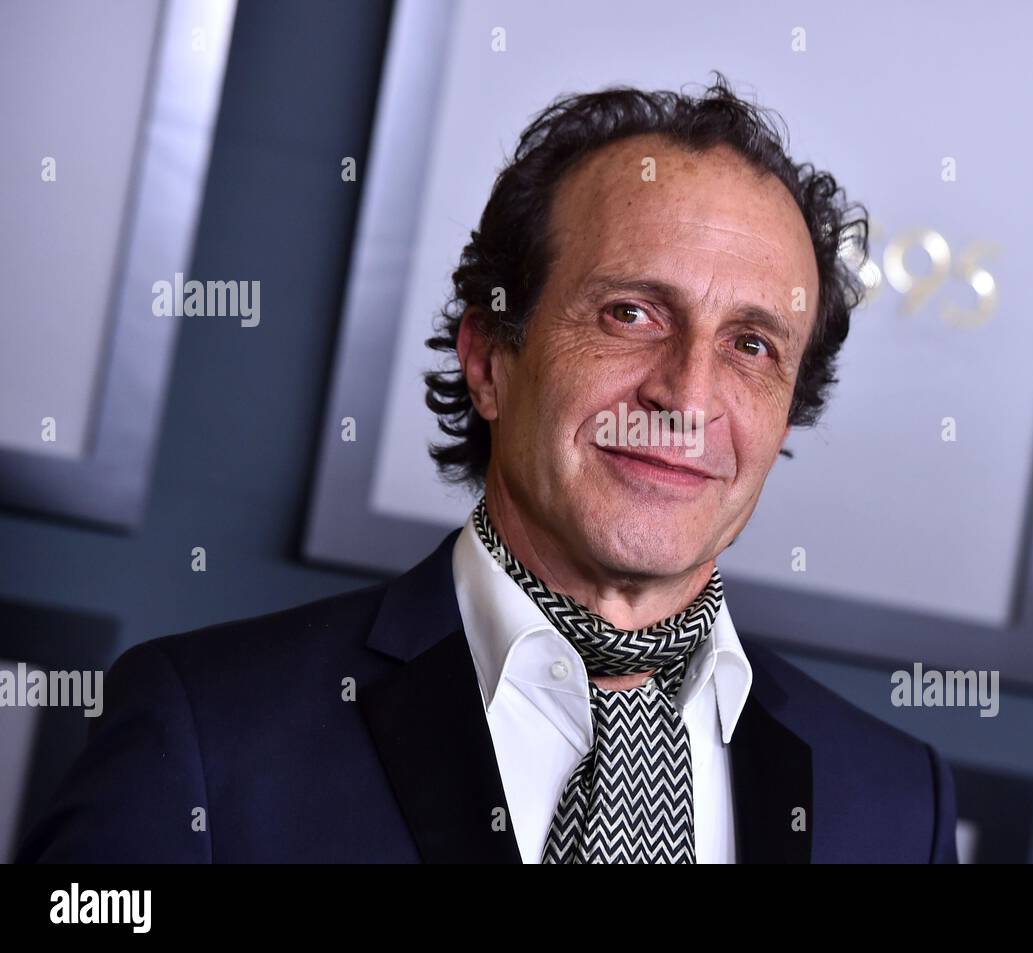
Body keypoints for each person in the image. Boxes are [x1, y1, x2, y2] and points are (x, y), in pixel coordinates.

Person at [18, 74, 957, 863]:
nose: (687, 397)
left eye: (751, 345)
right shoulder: (206, 736)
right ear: (492, 358)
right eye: (632, 313)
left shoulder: (892, 805)